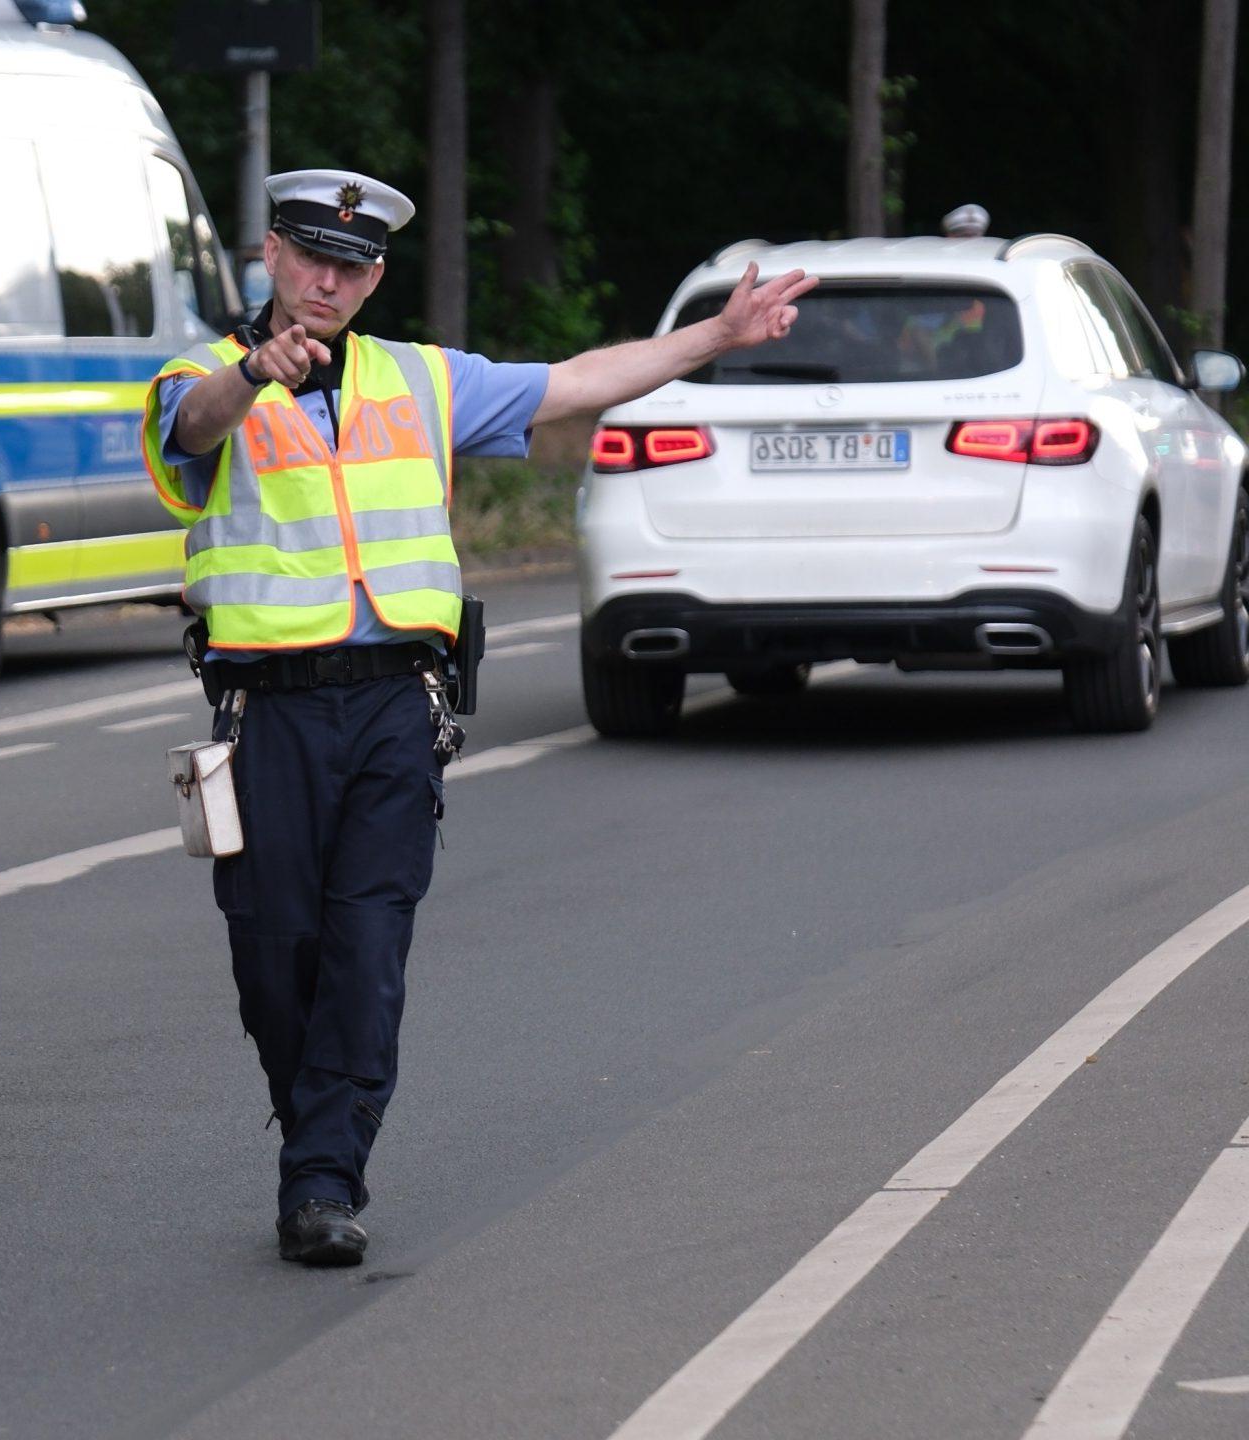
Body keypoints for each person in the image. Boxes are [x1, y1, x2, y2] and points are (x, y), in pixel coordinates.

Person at [142, 169, 815, 1267]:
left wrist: (712, 337)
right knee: (276, 955)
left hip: (395, 707)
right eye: (309, 257)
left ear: (375, 277)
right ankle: (315, 1115)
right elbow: (193, 428)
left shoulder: (418, 380)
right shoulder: (201, 376)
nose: (327, 280)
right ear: (269, 254)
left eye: (350, 265)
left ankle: (321, 1181)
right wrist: (252, 376)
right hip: (266, 713)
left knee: (364, 950)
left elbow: (577, 382)